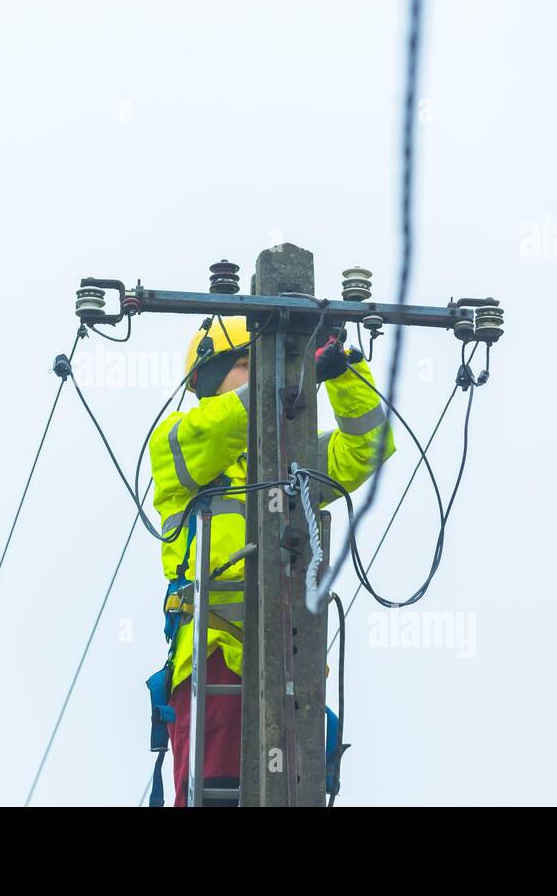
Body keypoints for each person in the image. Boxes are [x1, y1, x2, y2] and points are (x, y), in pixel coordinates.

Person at [147, 315, 395, 806]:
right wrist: (286, 374)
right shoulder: (177, 442)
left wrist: (344, 373)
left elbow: (367, 447)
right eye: (246, 364)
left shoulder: (290, 463)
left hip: (290, 664)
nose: (261, 375)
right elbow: (219, 429)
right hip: (213, 663)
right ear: (209, 378)